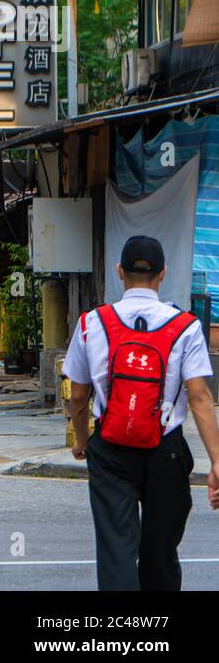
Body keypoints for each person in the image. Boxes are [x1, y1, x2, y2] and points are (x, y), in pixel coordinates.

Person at [64, 236, 219, 591]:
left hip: (110, 449)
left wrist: (82, 440)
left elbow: (79, 394)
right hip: (166, 449)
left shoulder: (91, 323)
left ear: (120, 271)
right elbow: (199, 396)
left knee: (117, 551)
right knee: (160, 551)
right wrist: (216, 460)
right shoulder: (186, 327)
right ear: (162, 274)